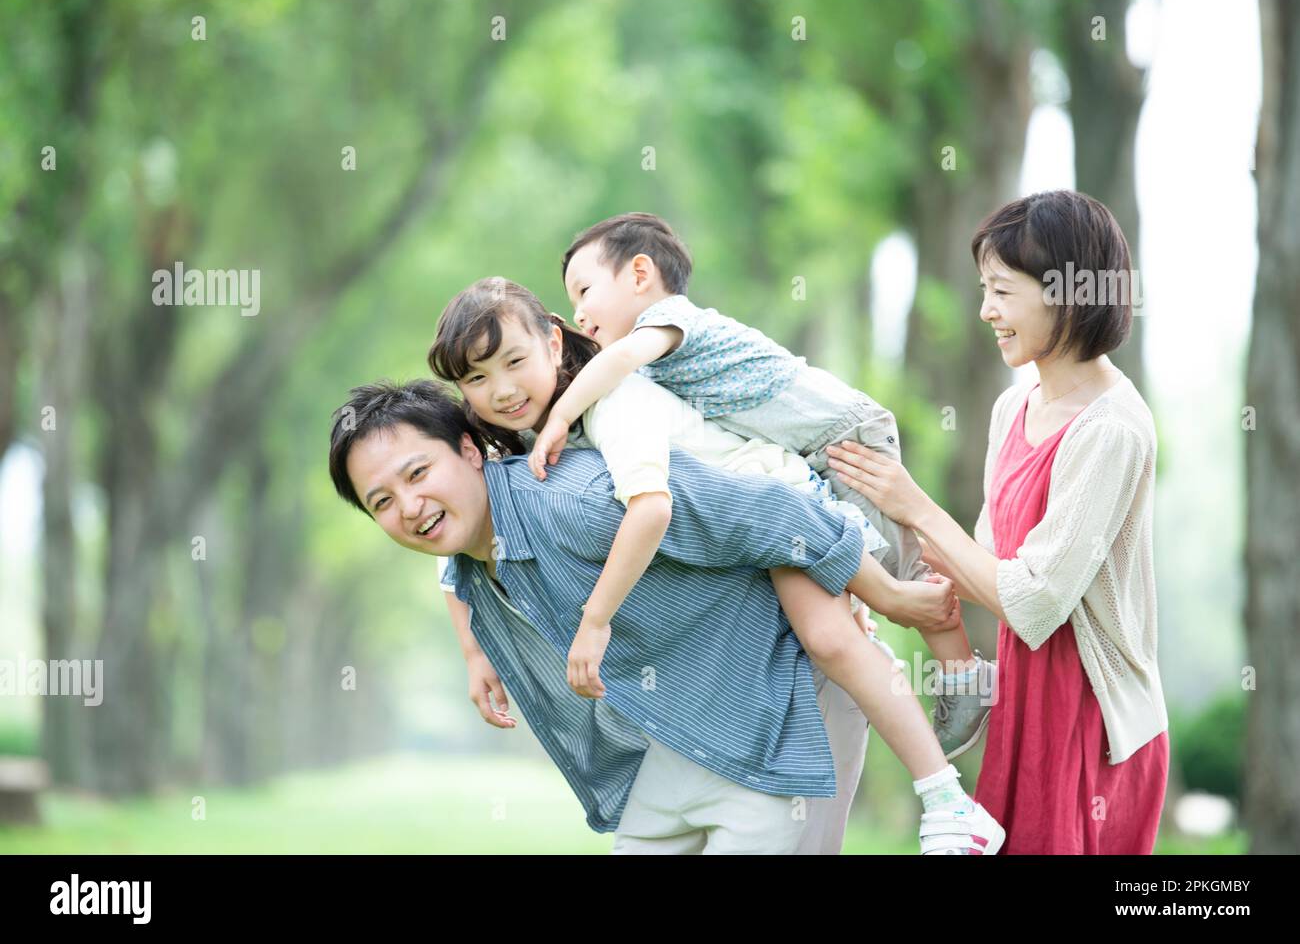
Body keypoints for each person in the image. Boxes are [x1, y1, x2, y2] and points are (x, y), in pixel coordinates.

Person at [327, 379, 1002, 853]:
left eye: (418, 474)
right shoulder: (477, 565)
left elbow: (771, 508)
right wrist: (474, 652)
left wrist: (876, 589)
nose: (408, 507)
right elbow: (453, 578)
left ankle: (947, 800)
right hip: (685, 735)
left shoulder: (576, 500)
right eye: (381, 501)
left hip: (782, 707)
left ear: (470, 451)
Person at [531, 213, 996, 759]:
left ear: (640, 274)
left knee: (905, 568)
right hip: (813, 455)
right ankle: (949, 670)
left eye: (585, 291)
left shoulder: (668, 322)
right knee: (870, 562)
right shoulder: (656, 365)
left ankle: (965, 676)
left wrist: (561, 417)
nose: (580, 311)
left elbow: (618, 360)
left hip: (842, 435)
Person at [827, 190, 1169, 853]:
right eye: (985, 290)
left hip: (1091, 725)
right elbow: (980, 562)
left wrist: (916, 504)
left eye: (1002, 292)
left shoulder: (1113, 430)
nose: (987, 311)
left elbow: (1034, 600)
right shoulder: (1013, 412)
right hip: (1025, 707)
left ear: (1066, 294)